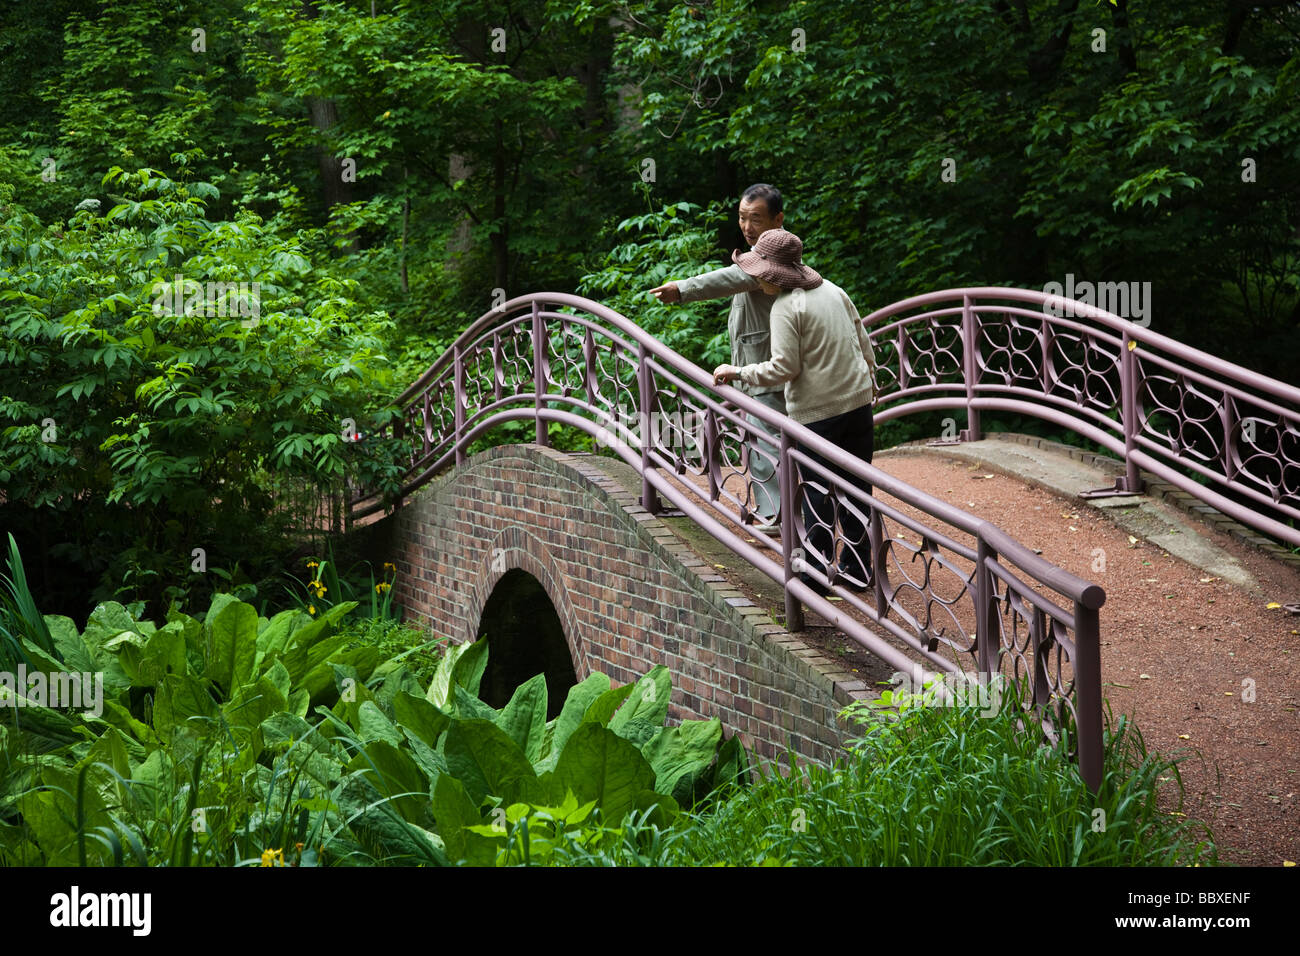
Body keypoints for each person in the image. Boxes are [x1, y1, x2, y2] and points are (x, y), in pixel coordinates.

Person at [711, 229, 877, 596]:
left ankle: (814, 578)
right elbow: (862, 339)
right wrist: (871, 381)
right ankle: (859, 570)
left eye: (757, 271)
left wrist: (738, 372)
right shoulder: (833, 290)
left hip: (819, 412)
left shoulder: (785, 307)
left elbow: (783, 368)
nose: (753, 278)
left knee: (816, 492)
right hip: (858, 401)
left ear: (772, 273)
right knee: (857, 488)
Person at [648, 184, 786, 528]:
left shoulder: (775, 257)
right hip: (754, 367)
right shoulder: (761, 252)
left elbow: (730, 279)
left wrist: (682, 289)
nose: (747, 226)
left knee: (768, 443)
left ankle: (779, 520)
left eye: (755, 218)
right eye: (742, 217)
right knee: (761, 441)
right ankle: (778, 516)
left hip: (766, 369)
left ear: (777, 219)